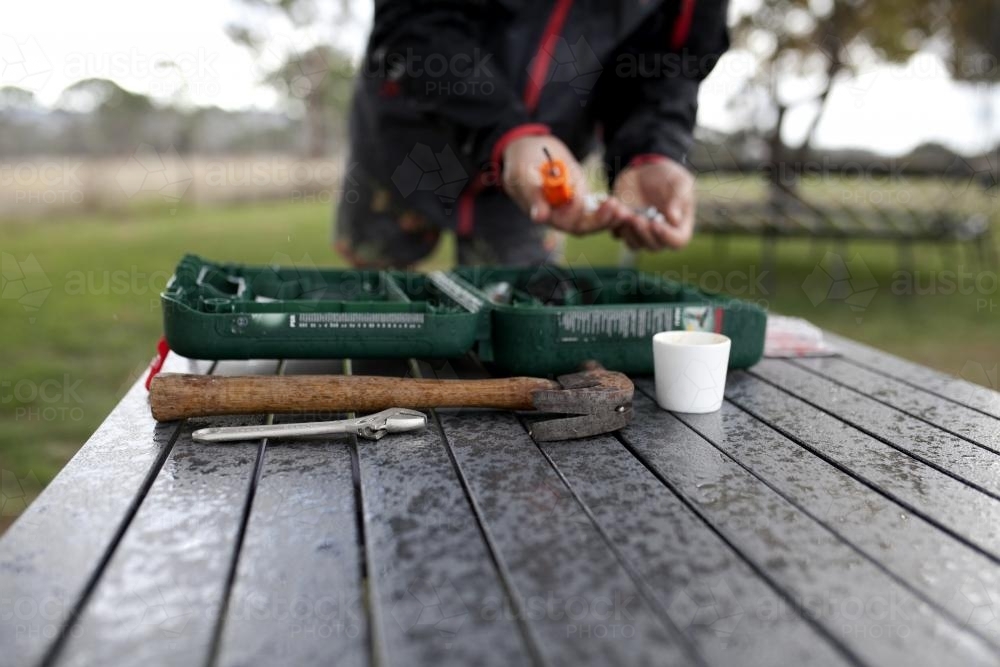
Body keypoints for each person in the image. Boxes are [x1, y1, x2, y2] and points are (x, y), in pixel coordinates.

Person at [335, 0, 730, 267]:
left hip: (539, 172)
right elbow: (415, 19)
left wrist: (652, 151)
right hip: (408, 140)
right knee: (375, 309)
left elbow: (670, 61)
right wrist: (507, 130)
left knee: (519, 321)